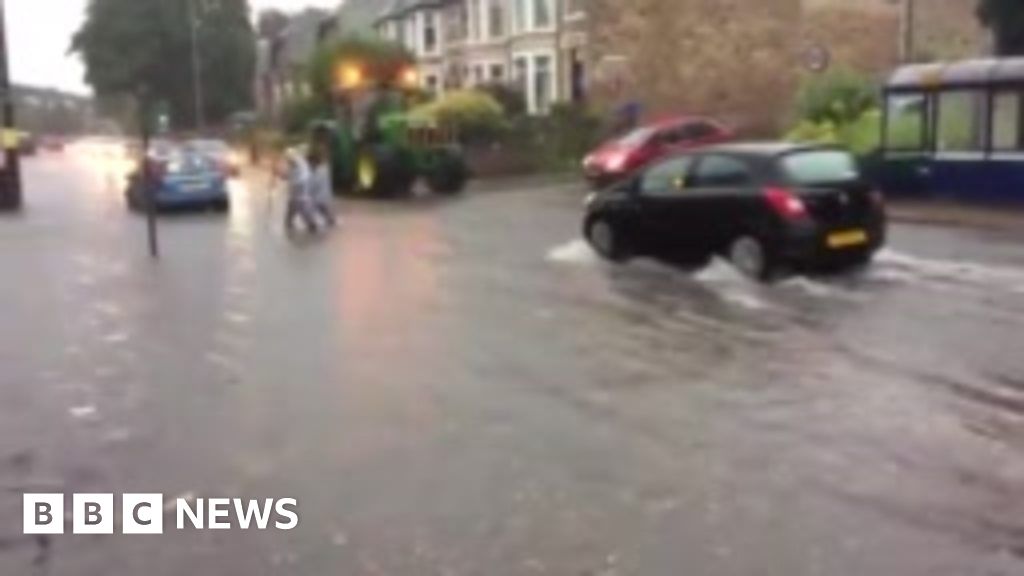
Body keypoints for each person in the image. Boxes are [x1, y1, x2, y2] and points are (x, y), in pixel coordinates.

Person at [281, 148, 317, 233]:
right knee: (292, 206)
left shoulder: (299, 164)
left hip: (301, 189)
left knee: (301, 206)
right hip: (296, 190)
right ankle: (289, 222)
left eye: (288, 159)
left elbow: (298, 177)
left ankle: (311, 223)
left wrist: (286, 177)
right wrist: (282, 175)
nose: (288, 161)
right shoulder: (293, 163)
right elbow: (288, 175)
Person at [307, 140, 336, 228]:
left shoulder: (320, 170)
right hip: (322, 196)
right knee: (323, 209)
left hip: (318, 196)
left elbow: (314, 184)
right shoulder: (323, 168)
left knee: (312, 210)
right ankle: (330, 221)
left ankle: (313, 224)